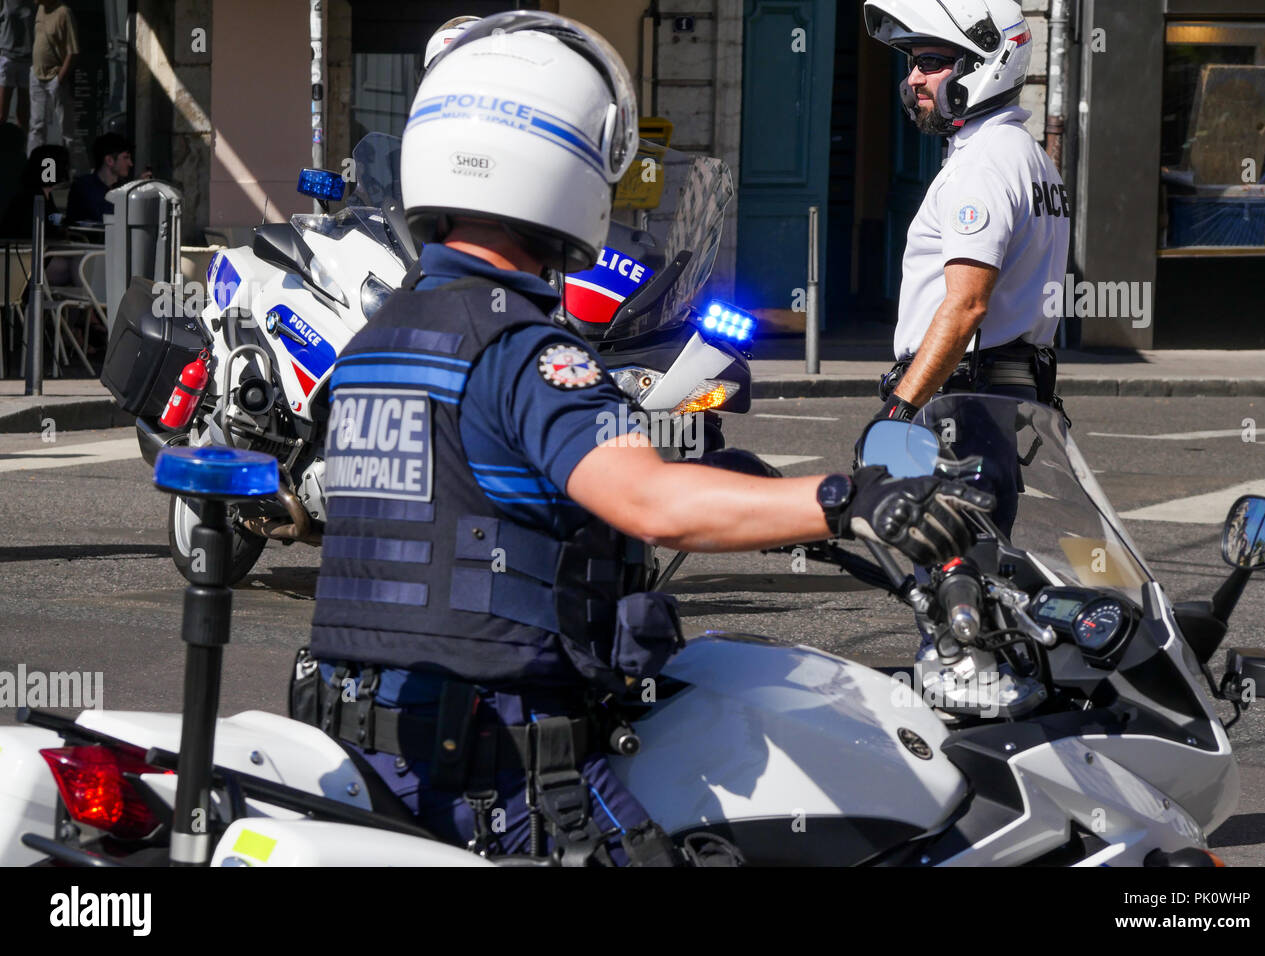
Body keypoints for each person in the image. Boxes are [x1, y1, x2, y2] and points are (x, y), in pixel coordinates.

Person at [300, 11, 994, 867]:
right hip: (504, 779)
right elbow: (652, 502)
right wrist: (847, 499)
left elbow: (469, 496)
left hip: (367, 752)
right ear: (558, 167)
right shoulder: (526, 351)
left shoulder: (377, 341)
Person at [861, 0, 1071, 533]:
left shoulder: (981, 166)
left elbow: (967, 304)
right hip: (997, 395)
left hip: (960, 401)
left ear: (984, 63)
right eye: (912, 63)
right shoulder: (1026, 155)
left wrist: (900, 412)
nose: (913, 80)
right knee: (973, 574)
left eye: (929, 62)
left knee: (952, 576)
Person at [27, 0, 75, 157]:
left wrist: (59, 79)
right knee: (36, 126)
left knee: (65, 129)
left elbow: (72, 51)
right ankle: (34, 166)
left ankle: (73, 171)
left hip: (54, 77)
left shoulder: (63, 12)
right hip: (36, 75)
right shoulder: (40, 9)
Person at [66, 131, 132, 224]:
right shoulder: (85, 187)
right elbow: (103, 217)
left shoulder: (123, 187)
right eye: (126, 158)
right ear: (109, 160)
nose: (130, 163)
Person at [0, 0, 33, 131]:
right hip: (7, 58)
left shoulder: (35, 2)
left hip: (27, 59)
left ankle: (21, 147)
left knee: (24, 115)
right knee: (2, 114)